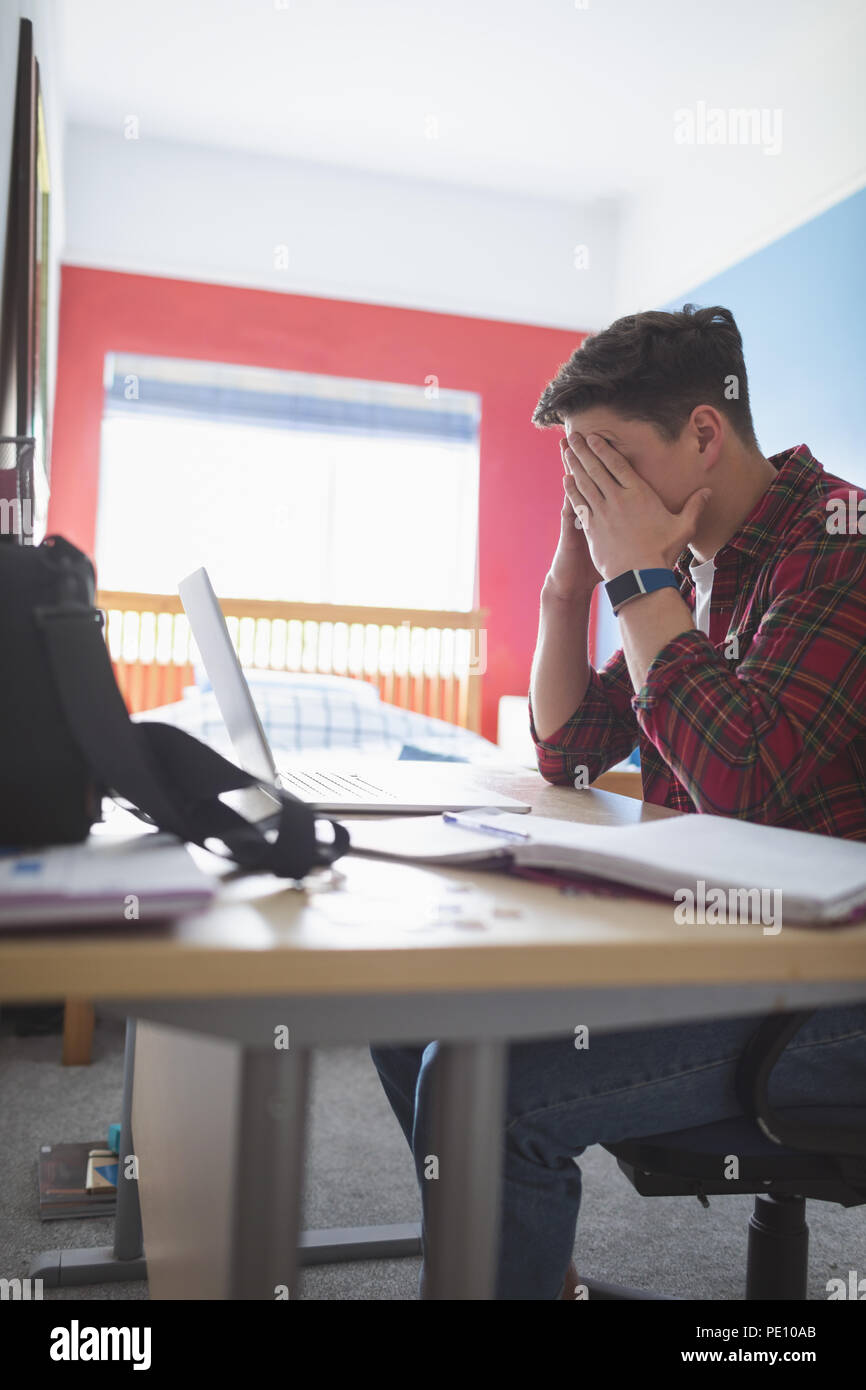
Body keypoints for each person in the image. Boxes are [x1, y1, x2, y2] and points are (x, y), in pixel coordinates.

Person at [370, 305, 866, 1299]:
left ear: (702, 432)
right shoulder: (690, 563)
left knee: (485, 1089)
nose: (591, 492)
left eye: (609, 462)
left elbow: (738, 777)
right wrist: (569, 585)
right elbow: (570, 749)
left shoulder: (838, 544)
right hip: (721, 947)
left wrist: (636, 579)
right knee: (403, 1006)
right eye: (577, 469)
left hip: (830, 990)